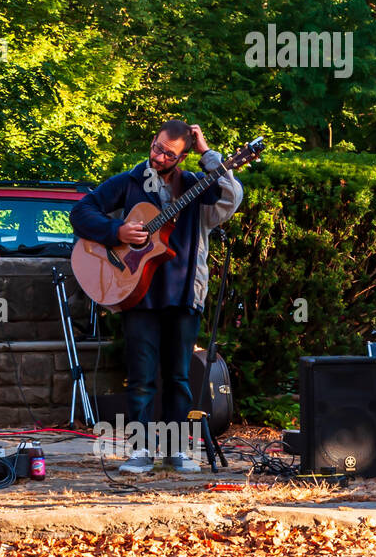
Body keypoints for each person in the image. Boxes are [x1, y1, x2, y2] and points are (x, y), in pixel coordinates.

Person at [70, 121, 247, 473]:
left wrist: (207, 154)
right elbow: (80, 212)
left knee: (180, 376)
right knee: (141, 377)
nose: (159, 156)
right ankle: (139, 451)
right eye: (157, 147)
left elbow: (232, 197)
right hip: (136, 293)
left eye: (169, 153)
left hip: (183, 294)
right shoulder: (130, 181)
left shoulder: (197, 186)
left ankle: (176, 449)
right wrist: (115, 230)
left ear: (182, 157)